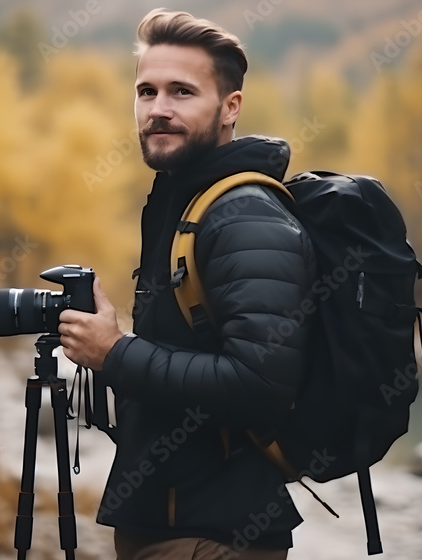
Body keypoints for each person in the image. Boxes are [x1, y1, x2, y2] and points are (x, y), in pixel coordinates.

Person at [57, 9, 317, 560]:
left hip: (213, 538)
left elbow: (259, 387)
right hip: (175, 526)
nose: (158, 109)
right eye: (146, 91)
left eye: (181, 92)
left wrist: (116, 353)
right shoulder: (183, 205)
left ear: (230, 107)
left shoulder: (245, 218)